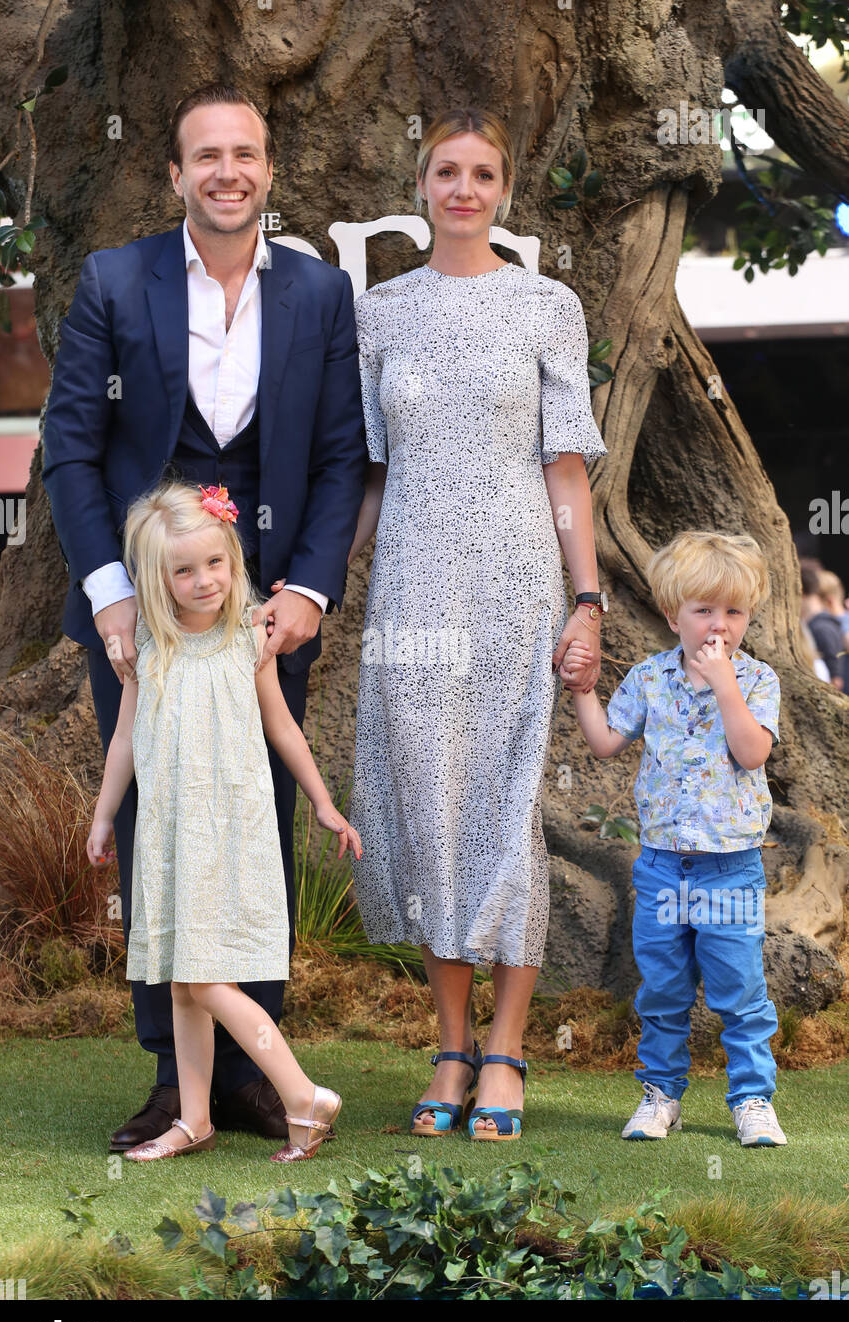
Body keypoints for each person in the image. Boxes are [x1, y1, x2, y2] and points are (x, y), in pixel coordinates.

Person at [42, 84, 366, 1151]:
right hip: (143, 610)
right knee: (154, 824)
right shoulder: (113, 280)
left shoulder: (320, 292)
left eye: (246, 154)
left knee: (259, 825)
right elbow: (71, 449)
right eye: (207, 156)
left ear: (269, 170)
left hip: (262, 615)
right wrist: (110, 593)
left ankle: (253, 1077)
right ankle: (171, 1078)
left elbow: (338, 457)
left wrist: (308, 589)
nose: (228, 172)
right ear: (174, 173)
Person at [347, 108, 607, 1141]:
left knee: (504, 808)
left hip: (515, 582)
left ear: (505, 189)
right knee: (425, 809)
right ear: (419, 186)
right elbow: (371, 476)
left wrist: (586, 600)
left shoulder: (548, 305)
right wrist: (308, 584)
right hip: (411, 590)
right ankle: (449, 1047)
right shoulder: (380, 314)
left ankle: (505, 1048)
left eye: (482, 173)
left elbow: (565, 470)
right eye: (446, 172)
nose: (463, 189)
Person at [86, 481, 361, 1163]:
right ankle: (195, 1119)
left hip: (231, 829)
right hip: (172, 834)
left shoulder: (248, 639)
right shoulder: (148, 645)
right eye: (184, 570)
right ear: (159, 580)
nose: (204, 579)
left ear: (233, 558)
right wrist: (103, 815)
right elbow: (125, 740)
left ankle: (302, 1095)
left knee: (209, 979)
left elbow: (283, 728)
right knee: (184, 982)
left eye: (215, 562)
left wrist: (323, 802)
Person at [567, 531, 787, 1147]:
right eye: (704, 609)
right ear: (673, 615)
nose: (720, 625)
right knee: (663, 989)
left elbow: (752, 752)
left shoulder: (757, 680)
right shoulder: (649, 678)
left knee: (739, 991)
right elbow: (605, 741)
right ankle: (661, 1095)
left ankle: (752, 1099)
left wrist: (724, 683)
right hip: (664, 866)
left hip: (730, 868)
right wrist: (583, 691)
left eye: (734, 611)